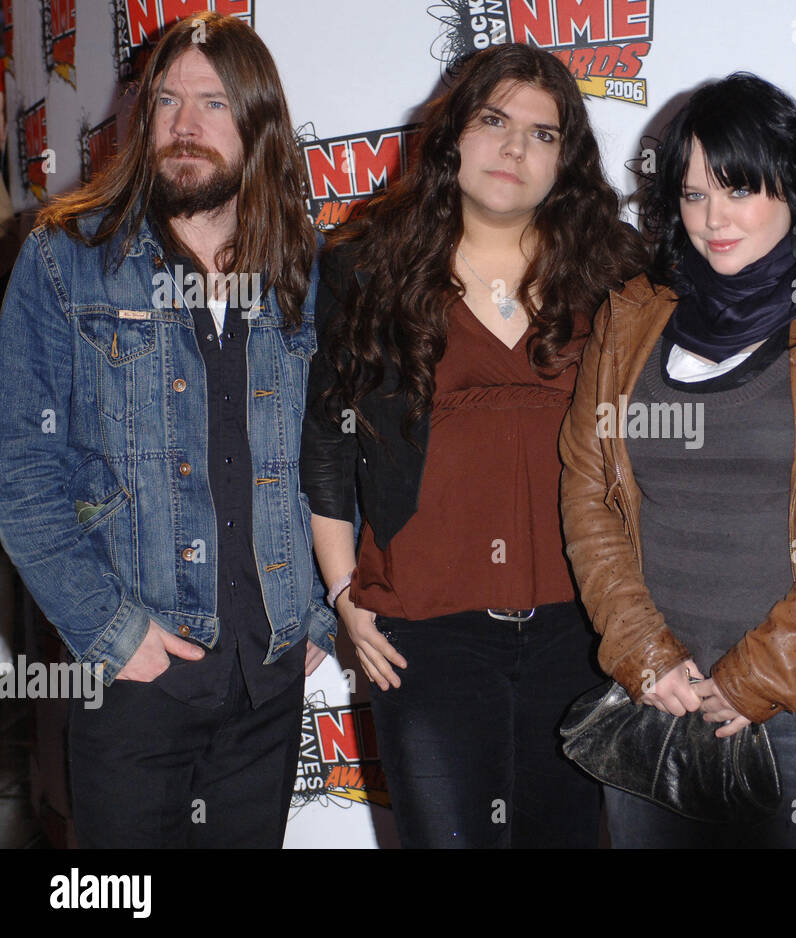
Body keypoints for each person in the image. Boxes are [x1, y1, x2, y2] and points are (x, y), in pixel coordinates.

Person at [559, 73, 796, 848]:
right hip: (663, 700)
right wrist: (642, 654)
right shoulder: (631, 315)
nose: (714, 219)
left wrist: (755, 675)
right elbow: (589, 491)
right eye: (693, 196)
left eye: (738, 189)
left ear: (792, 187)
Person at [0, 12, 333, 848]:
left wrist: (320, 613)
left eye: (213, 104)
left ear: (257, 124)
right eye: (167, 104)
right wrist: (110, 632)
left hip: (267, 674)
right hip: (136, 673)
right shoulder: (65, 260)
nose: (184, 128)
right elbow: (20, 468)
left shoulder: (305, 272)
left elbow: (336, 451)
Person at [300, 42, 644, 849]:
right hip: (426, 632)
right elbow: (327, 444)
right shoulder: (366, 268)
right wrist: (345, 594)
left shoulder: (615, 273)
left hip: (583, 627)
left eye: (543, 133)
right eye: (494, 121)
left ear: (567, 160)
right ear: (453, 134)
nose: (515, 148)